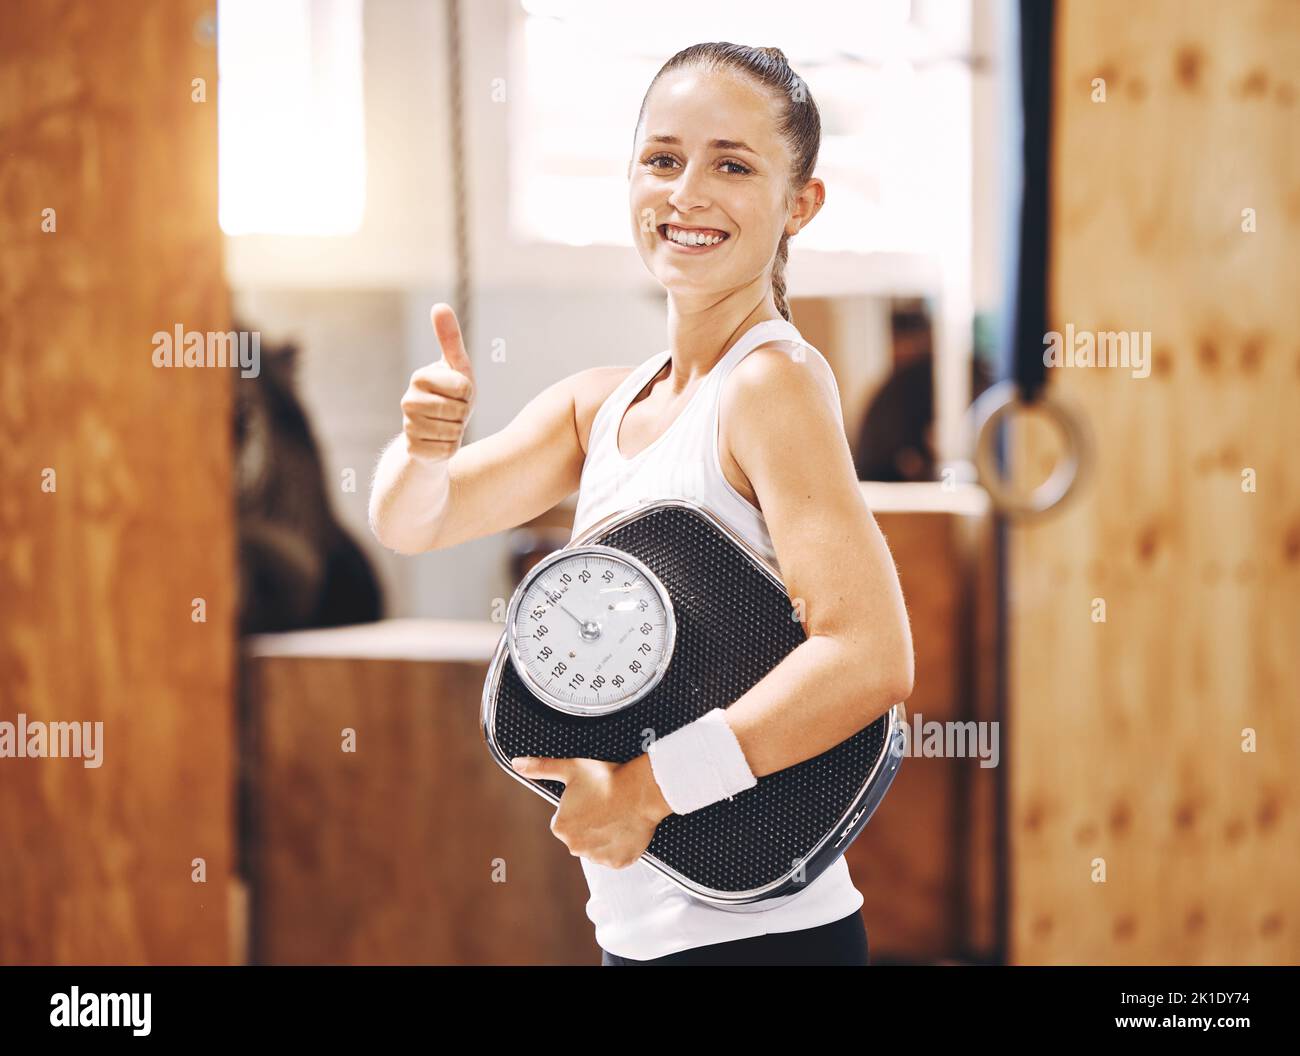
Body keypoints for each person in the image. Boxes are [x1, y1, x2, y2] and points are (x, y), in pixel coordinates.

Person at [368, 42, 914, 966]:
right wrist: (420, 450)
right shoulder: (601, 406)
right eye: (663, 159)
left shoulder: (769, 386)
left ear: (801, 204)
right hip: (645, 940)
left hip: (763, 944)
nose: (688, 192)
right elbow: (415, 520)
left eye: (732, 165)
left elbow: (868, 655)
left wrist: (647, 794)